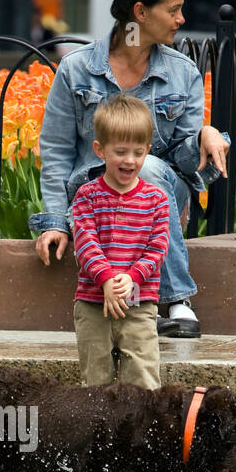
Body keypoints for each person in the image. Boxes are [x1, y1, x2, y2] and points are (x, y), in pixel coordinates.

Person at [31, 0, 230, 339]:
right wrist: (56, 222)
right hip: (95, 199)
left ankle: (173, 300)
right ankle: (150, 307)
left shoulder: (183, 73)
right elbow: (56, 151)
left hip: (157, 196)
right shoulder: (76, 69)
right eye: (173, 10)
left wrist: (203, 136)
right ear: (140, 12)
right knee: (136, 172)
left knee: (147, 169)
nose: (181, 19)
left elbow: (183, 165)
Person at [70, 95, 171, 388]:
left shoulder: (156, 199)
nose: (130, 160)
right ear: (100, 150)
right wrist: (106, 280)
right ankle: (97, 420)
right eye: (120, 152)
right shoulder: (87, 196)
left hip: (138, 303)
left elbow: (158, 248)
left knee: (142, 378)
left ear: (148, 151)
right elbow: (85, 244)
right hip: (93, 304)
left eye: (138, 153)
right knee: (95, 382)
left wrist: (131, 277)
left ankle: (141, 420)